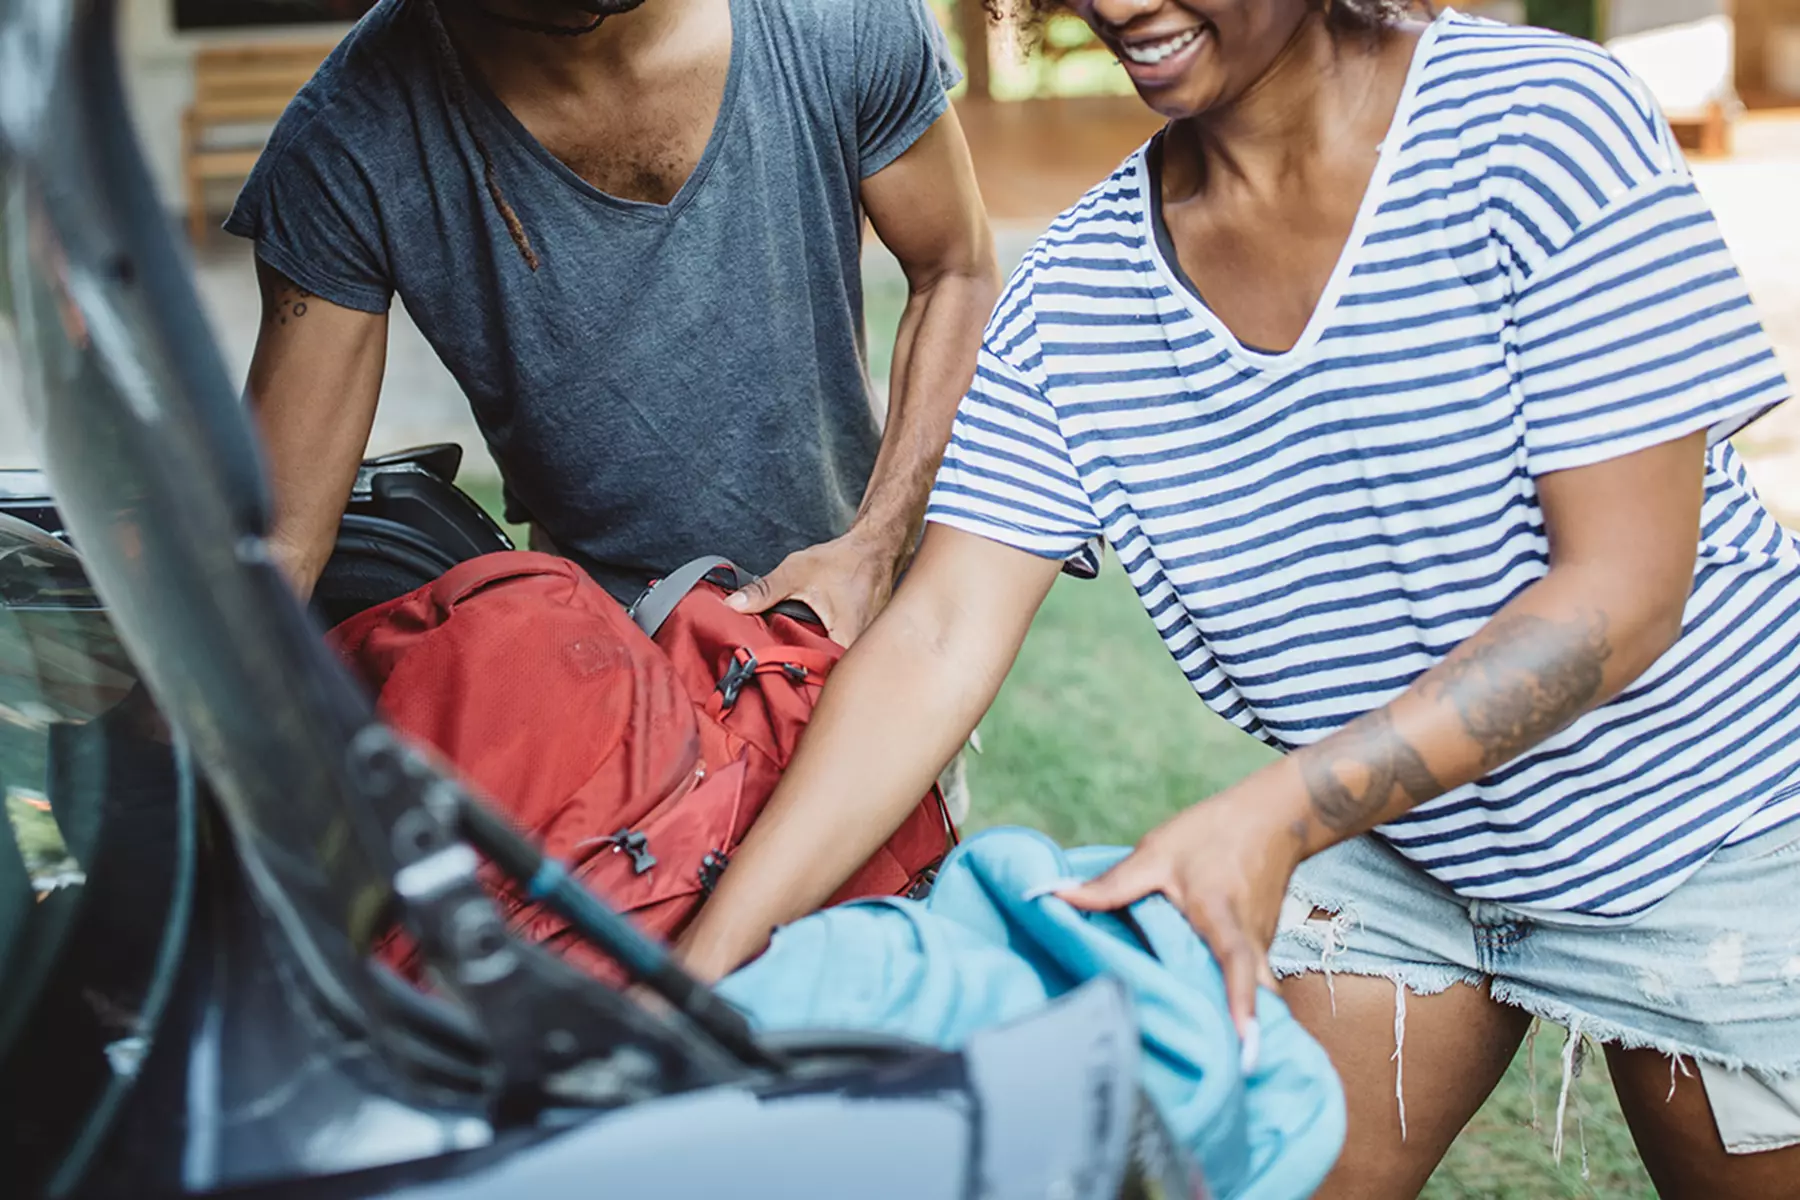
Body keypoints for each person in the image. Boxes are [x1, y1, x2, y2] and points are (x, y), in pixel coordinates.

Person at [674, 2, 1800, 1195]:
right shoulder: (1080, 295)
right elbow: (937, 635)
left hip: (1714, 827)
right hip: (1411, 850)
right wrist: (696, 975)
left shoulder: (1536, 123)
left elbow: (1618, 599)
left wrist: (1273, 816)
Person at [228, 0, 998, 648]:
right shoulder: (346, 145)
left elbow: (955, 273)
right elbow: (281, 545)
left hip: (857, 626)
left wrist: (874, 546)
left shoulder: (833, 17)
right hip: (605, 674)